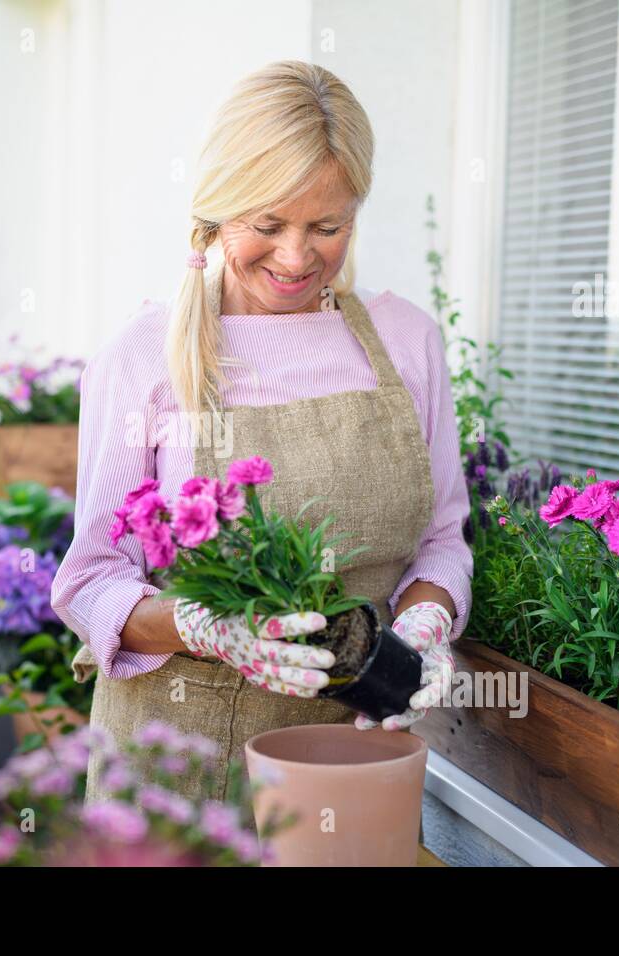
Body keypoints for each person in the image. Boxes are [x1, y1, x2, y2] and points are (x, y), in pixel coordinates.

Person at [51, 60, 471, 803]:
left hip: (353, 763)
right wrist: (205, 627)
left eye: (327, 226)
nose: (296, 257)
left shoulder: (408, 342)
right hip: (174, 770)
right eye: (267, 225)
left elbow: (441, 539)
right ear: (215, 216)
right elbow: (90, 581)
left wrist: (426, 623)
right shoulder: (143, 356)